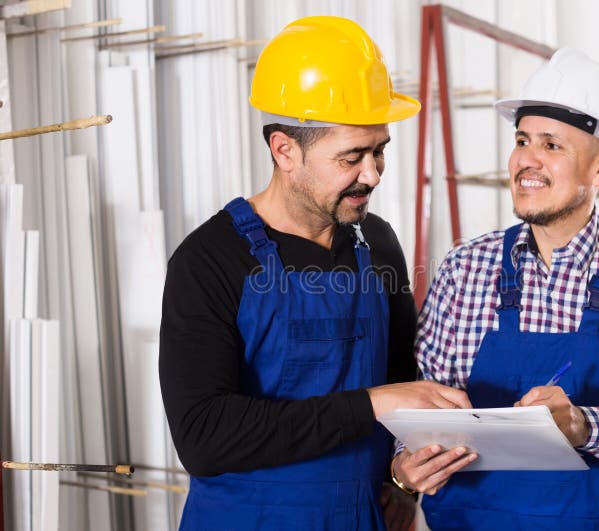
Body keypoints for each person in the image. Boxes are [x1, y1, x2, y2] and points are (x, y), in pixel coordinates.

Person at [159, 16, 474, 531]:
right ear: (285, 150)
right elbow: (203, 436)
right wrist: (370, 404)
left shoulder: (379, 244)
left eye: (379, 151)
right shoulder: (210, 260)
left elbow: (401, 387)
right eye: (351, 157)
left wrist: (401, 473)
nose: (371, 175)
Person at [392, 48, 599, 530]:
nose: (527, 160)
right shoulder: (463, 270)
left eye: (552, 145)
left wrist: (584, 425)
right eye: (522, 140)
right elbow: (421, 406)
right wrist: (404, 465)